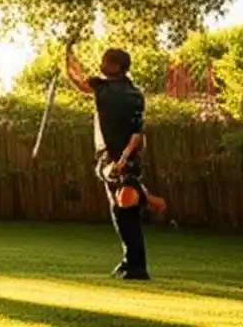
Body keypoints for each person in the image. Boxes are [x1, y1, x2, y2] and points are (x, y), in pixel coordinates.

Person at [64, 44, 166, 280]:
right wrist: (68, 58)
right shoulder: (127, 91)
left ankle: (138, 265)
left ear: (116, 66)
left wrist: (123, 158)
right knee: (120, 210)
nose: (101, 65)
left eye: (105, 62)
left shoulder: (116, 91)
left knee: (125, 207)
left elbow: (136, 133)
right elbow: (78, 79)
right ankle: (131, 260)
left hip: (121, 158)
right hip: (113, 157)